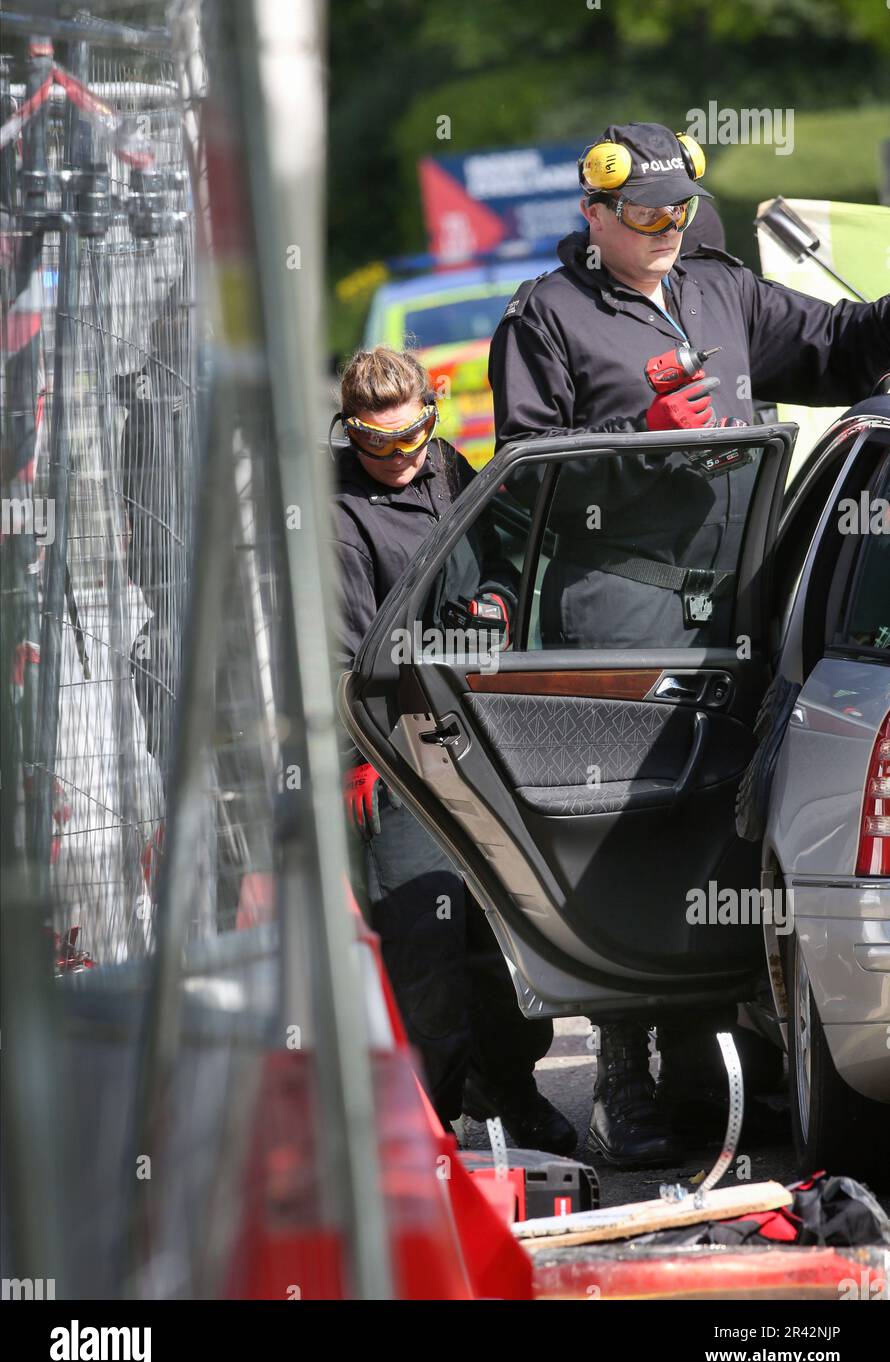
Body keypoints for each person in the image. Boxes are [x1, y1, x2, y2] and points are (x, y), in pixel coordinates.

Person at [488, 121, 890, 1165]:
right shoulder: (546, 319)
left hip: (735, 611)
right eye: (643, 216)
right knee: (627, 836)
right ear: (592, 213)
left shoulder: (718, 289)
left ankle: (732, 1057)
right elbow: (527, 486)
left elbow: (837, 346)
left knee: (720, 829)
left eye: (676, 209)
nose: (666, 229)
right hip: (615, 617)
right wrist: (645, 448)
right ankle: (624, 1077)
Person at [330, 346, 576, 1152]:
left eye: (413, 440)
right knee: (425, 957)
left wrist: (498, 605)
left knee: (498, 938)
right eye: (379, 446)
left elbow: (503, 555)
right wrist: (360, 756)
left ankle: (508, 1094)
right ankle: (426, 1131)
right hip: (395, 756)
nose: (400, 461)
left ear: (431, 419)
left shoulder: (450, 467)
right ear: (352, 434)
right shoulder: (337, 514)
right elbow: (349, 660)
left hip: (475, 744)